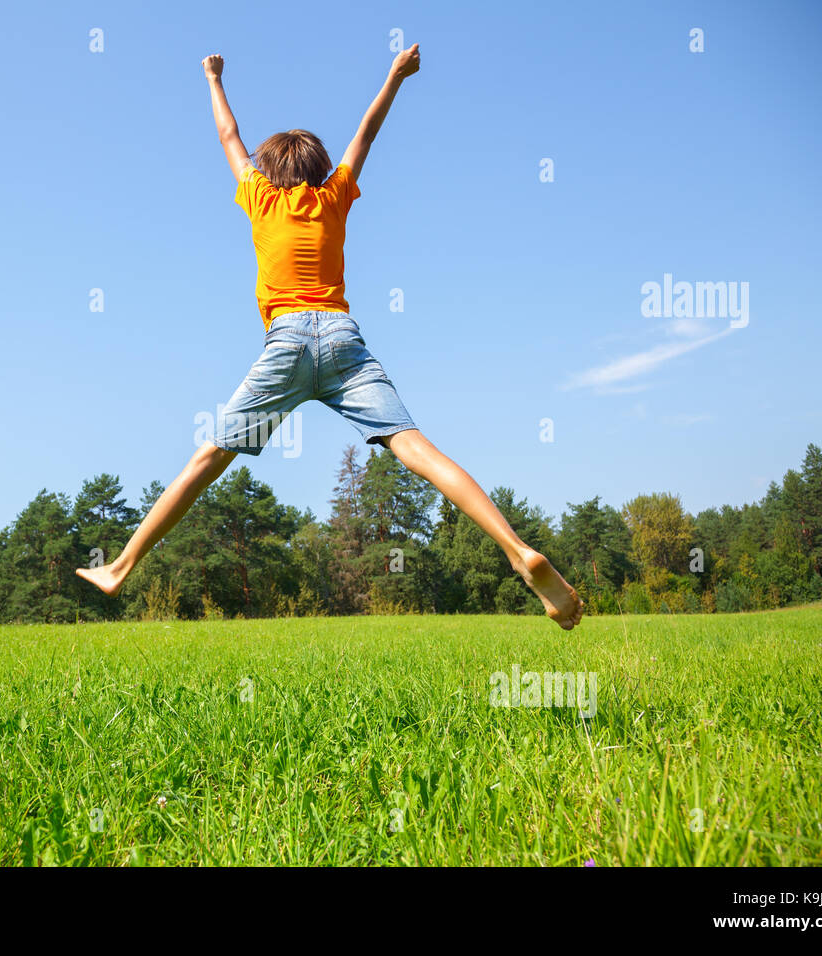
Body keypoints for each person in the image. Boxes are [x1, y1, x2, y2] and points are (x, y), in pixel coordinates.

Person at [78, 45, 583, 629]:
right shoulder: (335, 196)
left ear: (270, 173)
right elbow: (365, 135)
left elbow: (227, 136)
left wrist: (213, 77)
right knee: (417, 449)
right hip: (343, 340)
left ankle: (120, 566)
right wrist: (395, 75)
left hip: (287, 342)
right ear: (318, 170)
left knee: (208, 457)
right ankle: (517, 551)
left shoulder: (260, 199)